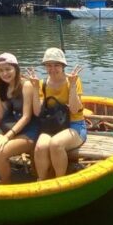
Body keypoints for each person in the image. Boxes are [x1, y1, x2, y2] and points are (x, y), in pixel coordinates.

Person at [0, 53, 41, 186]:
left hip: (30, 130)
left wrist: (7, 137)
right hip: (13, 128)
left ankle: (6, 182)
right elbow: (4, 117)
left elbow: (26, 117)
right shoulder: (3, 87)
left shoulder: (26, 85)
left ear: (16, 69)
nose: (4, 73)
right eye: (1, 70)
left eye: (8, 69)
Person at [33, 48, 85, 180]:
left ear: (63, 66)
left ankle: (59, 180)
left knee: (56, 144)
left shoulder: (73, 81)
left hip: (75, 125)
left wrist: (72, 86)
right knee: (40, 146)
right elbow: (37, 111)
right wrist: (34, 89)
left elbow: (74, 110)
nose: (53, 69)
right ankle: (42, 180)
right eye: (49, 65)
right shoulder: (42, 84)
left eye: (56, 65)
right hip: (52, 125)